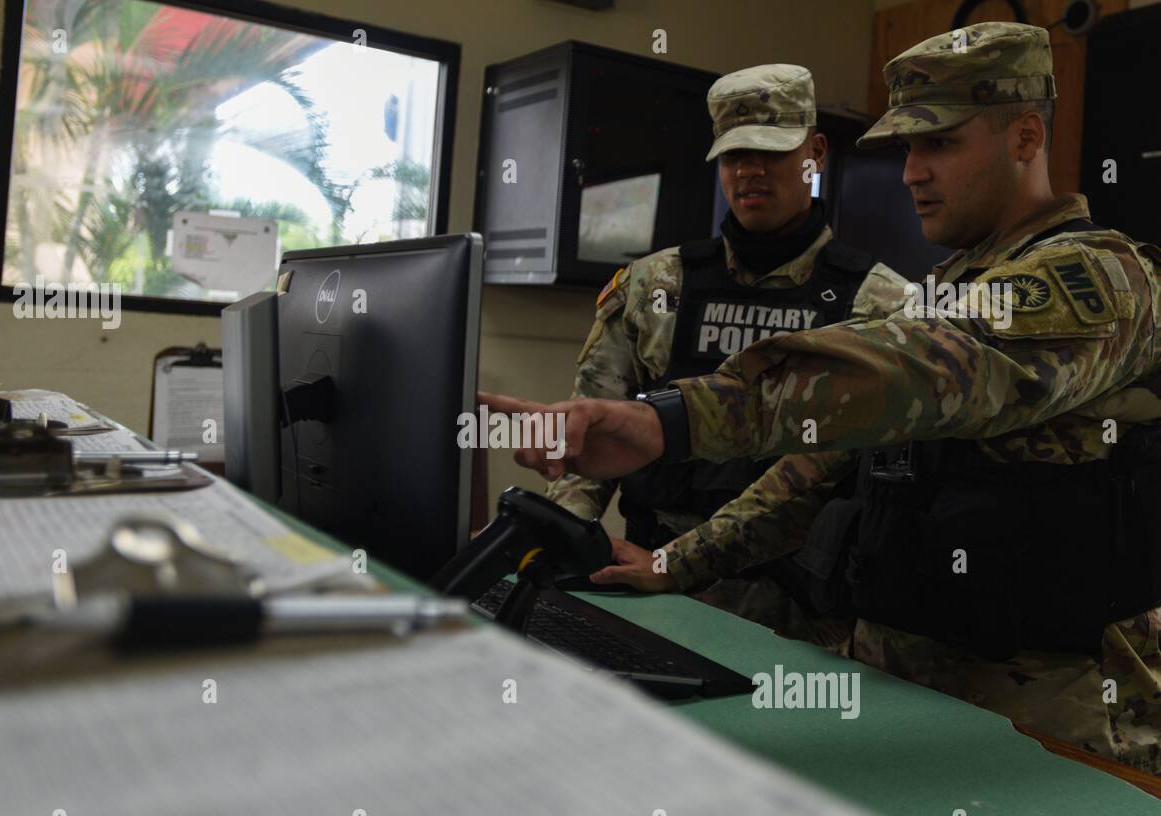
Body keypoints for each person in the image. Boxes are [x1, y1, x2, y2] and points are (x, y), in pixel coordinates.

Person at [484, 22, 1161, 775]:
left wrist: (668, 419)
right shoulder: (939, 293)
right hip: (902, 695)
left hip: (1056, 732)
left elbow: (922, 373)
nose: (911, 173)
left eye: (937, 144)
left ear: (1026, 135)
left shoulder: (1099, 280)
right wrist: (676, 562)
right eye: (906, 148)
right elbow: (817, 465)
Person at [547, 64, 907, 649]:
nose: (750, 172)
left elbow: (831, 469)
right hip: (650, 586)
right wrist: (567, 540)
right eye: (734, 155)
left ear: (815, 154)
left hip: (802, 613)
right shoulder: (654, 284)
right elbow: (591, 419)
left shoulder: (879, 302)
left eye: (771, 152)